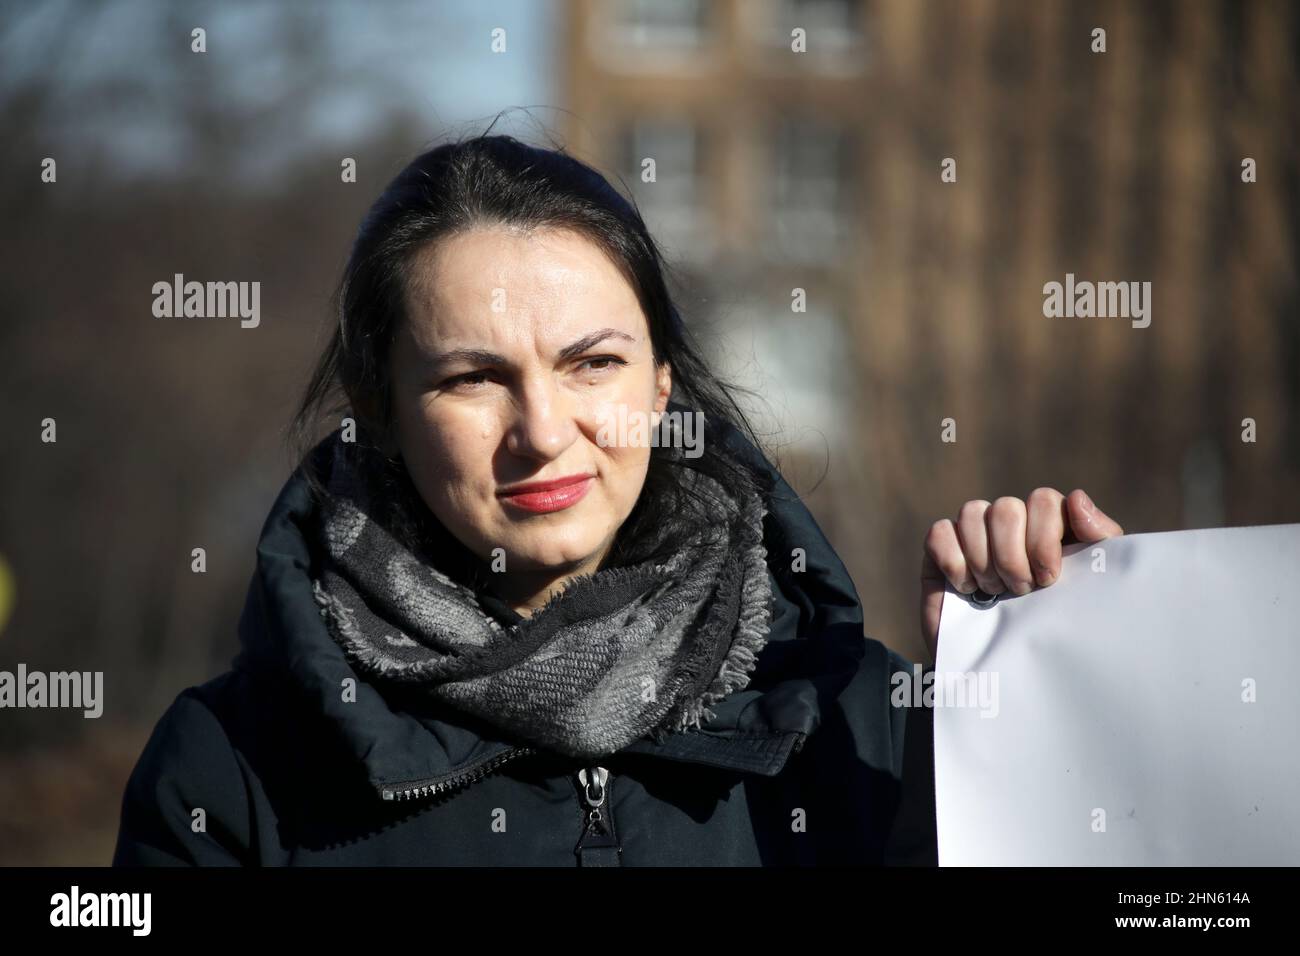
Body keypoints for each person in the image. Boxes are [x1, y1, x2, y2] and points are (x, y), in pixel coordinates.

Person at [111, 132, 1123, 866]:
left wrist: (1029, 709)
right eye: (471, 378)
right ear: (380, 415)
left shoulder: (855, 716)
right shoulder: (231, 767)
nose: (544, 429)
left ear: (660, 385)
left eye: (591, 362)